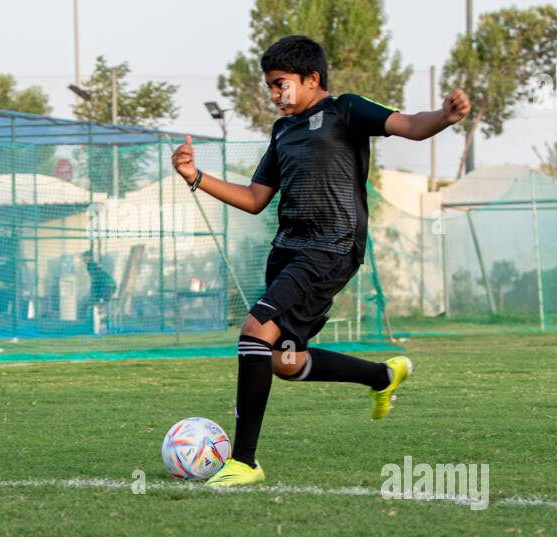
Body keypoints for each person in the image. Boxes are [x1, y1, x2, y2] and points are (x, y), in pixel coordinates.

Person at [170, 35, 471, 486]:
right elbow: (255, 199)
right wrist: (195, 177)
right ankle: (382, 375)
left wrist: (445, 118)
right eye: (270, 86)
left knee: (254, 332)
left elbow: (408, 124)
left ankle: (245, 462)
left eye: (280, 84)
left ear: (312, 79)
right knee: (284, 361)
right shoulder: (283, 131)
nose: (273, 95)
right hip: (288, 250)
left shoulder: (344, 111)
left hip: (331, 247)